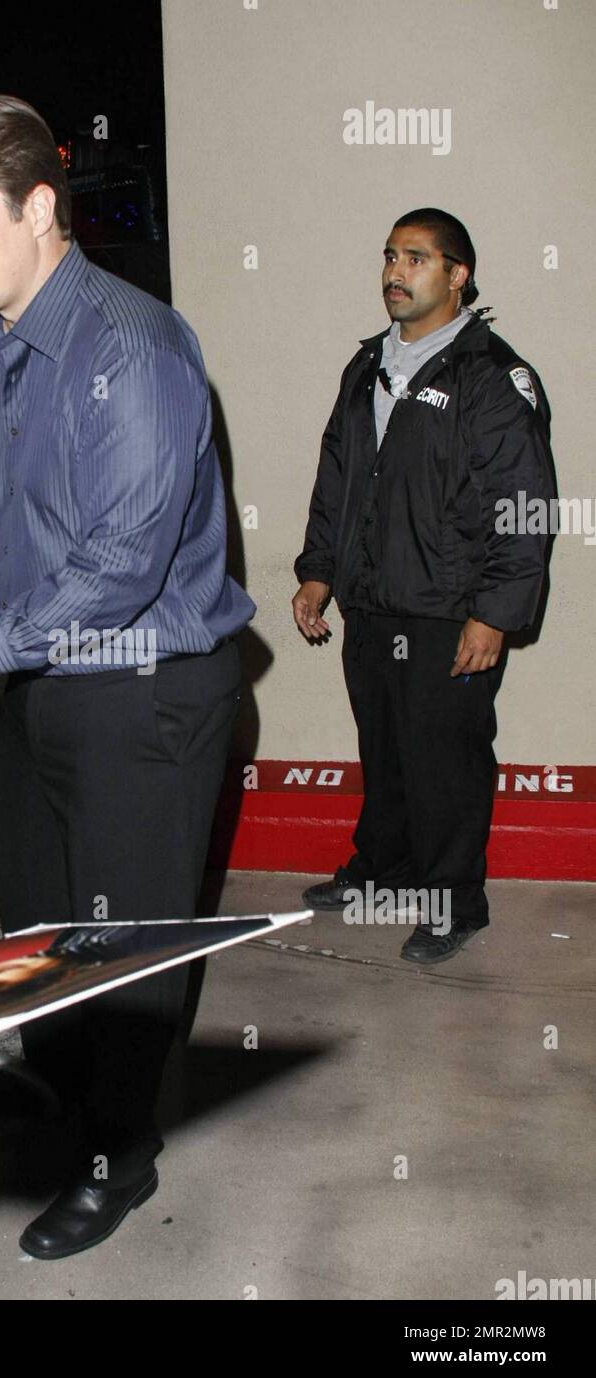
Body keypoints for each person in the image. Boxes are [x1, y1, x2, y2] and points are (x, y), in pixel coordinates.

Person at [0, 94, 255, 1259]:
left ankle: (120, 1155)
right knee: (33, 904)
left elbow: (113, 575)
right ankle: (65, 1092)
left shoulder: (136, 348)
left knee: (120, 938)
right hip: (47, 670)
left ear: (41, 208)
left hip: (150, 687)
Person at [292, 209, 555, 964]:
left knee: (445, 763)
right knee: (386, 754)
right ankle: (383, 872)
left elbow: (523, 503)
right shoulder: (367, 364)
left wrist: (494, 615)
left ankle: (453, 902)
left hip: (449, 610)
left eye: (414, 257)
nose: (394, 272)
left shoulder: (490, 375)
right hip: (371, 601)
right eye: (388, 257)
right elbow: (335, 478)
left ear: (456, 274)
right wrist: (318, 571)